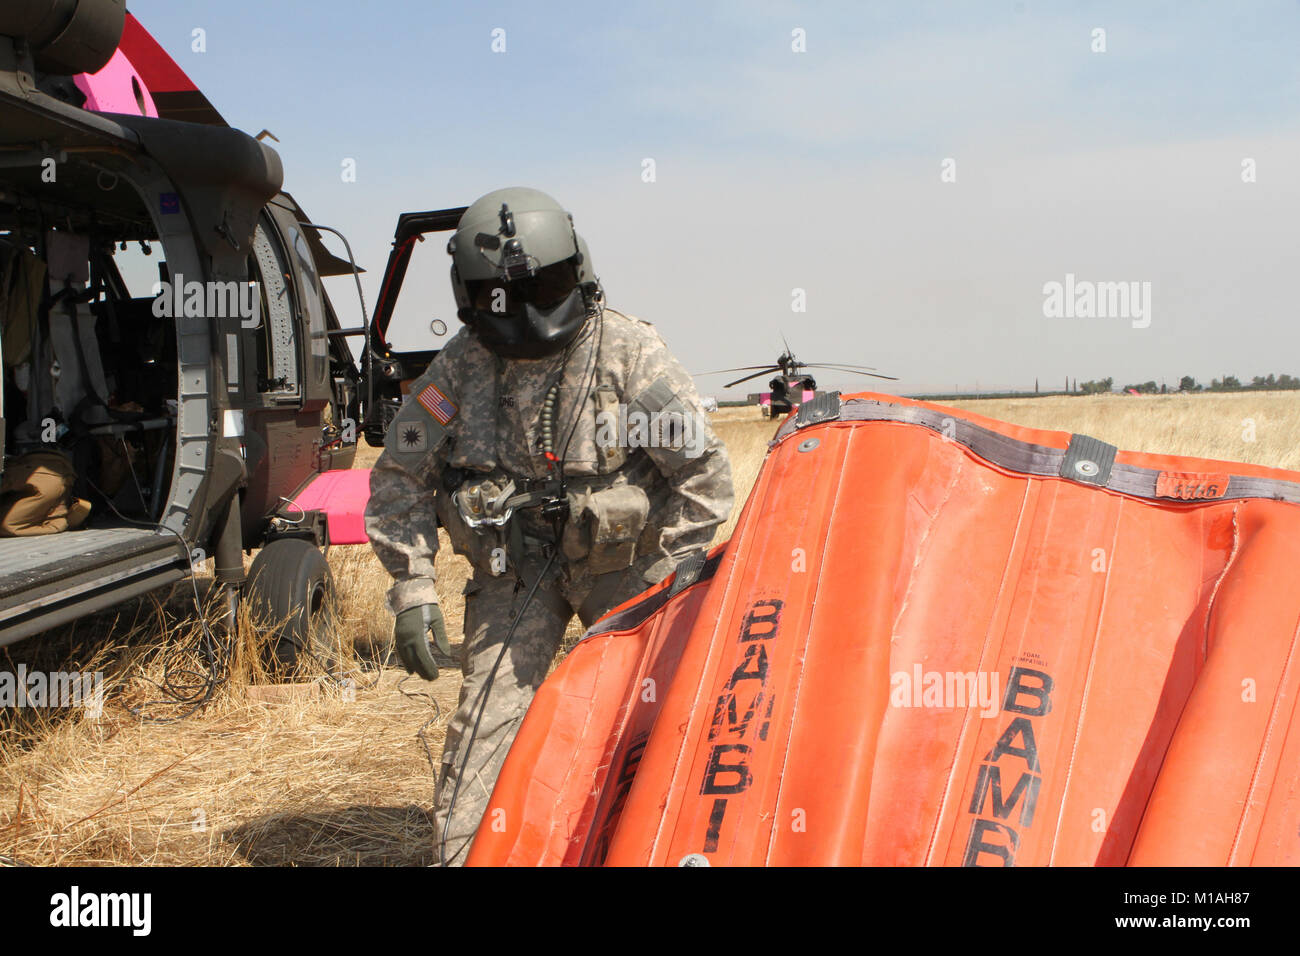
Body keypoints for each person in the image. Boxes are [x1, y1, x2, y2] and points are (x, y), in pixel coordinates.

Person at [364, 187, 734, 865]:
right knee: (486, 735)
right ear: (471, 297)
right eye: (503, 295)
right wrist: (412, 589)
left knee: (655, 727)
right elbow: (399, 477)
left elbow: (701, 477)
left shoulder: (628, 352)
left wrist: (678, 585)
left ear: (578, 269)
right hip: (515, 573)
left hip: (627, 570)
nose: (528, 308)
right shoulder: (457, 369)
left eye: (548, 285)